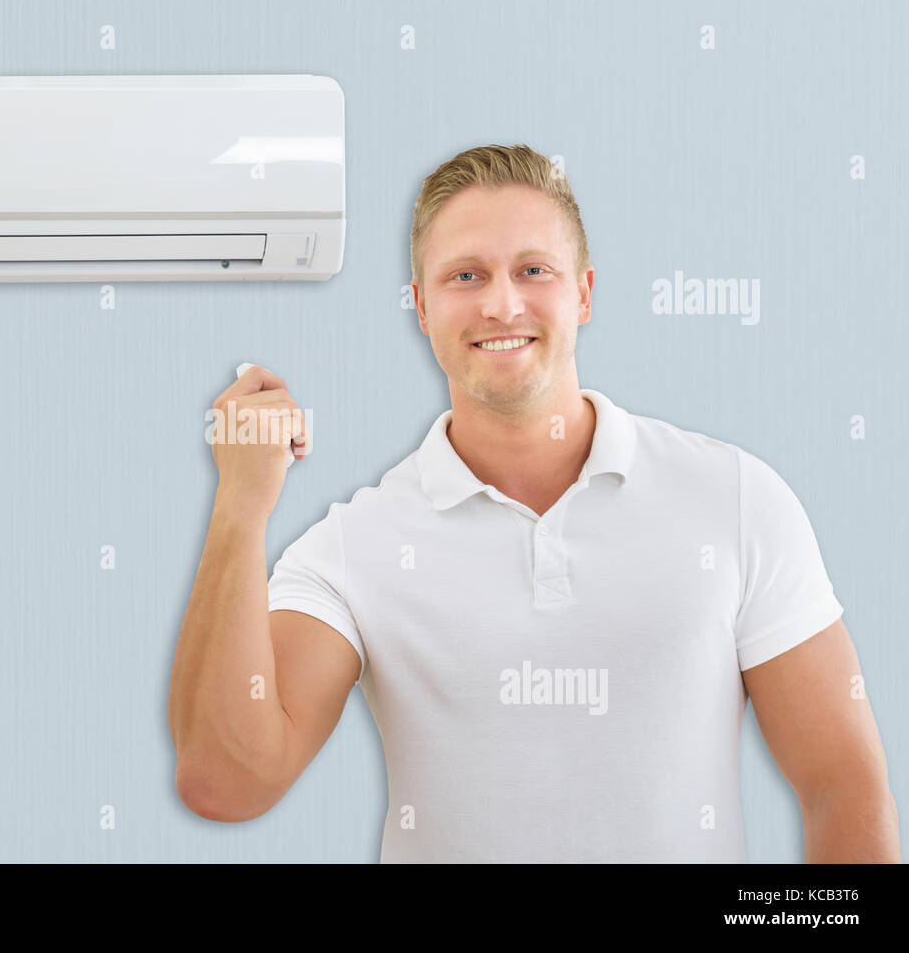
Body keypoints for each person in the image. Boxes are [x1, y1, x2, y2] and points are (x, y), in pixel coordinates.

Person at [168, 144, 899, 862]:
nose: (500, 302)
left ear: (582, 292)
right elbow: (226, 783)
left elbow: (841, 783)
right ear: (420, 308)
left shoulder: (735, 499)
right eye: (465, 275)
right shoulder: (354, 547)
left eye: (532, 270)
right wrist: (241, 504)